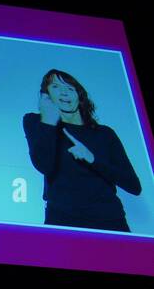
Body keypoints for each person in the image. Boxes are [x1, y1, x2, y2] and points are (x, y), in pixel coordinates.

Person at [22, 69, 141, 231]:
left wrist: (92, 159)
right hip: (62, 219)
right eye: (56, 87)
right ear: (46, 95)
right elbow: (44, 165)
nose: (64, 92)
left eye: (70, 88)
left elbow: (134, 186)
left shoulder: (104, 134)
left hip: (109, 220)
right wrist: (49, 120)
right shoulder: (36, 122)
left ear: (79, 96)